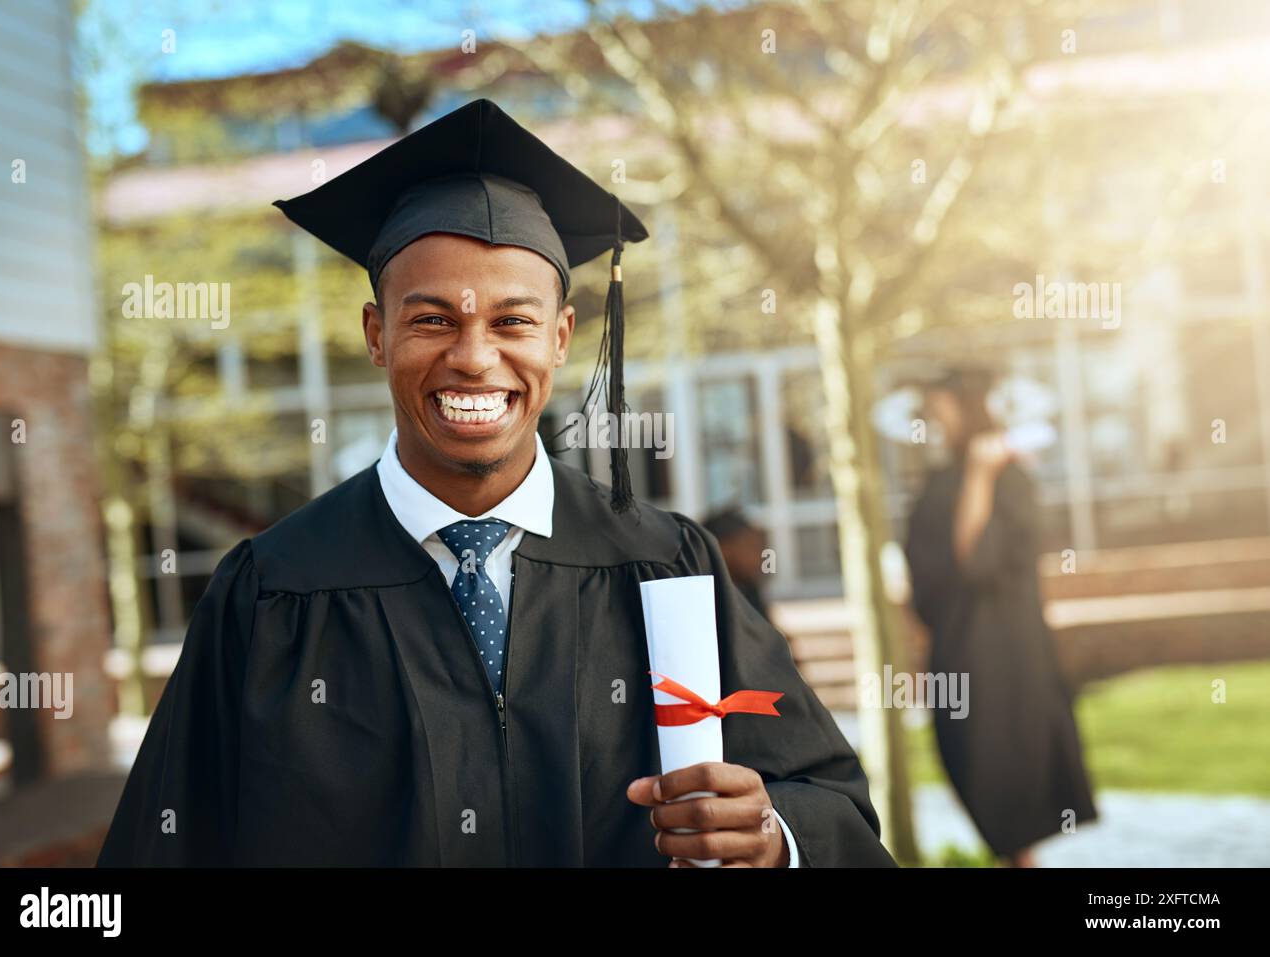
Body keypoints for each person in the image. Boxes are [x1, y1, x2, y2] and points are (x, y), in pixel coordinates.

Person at [97, 99, 893, 867]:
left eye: (512, 321)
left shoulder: (664, 565)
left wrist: (771, 838)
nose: (475, 357)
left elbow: (830, 801)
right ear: (377, 334)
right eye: (433, 318)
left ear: (560, 337)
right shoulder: (271, 593)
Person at [903, 367, 1098, 867]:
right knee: (968, 759)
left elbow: (977, 562)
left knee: (1008, 769)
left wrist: (979, 477)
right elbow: (929, 573)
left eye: (941, 406)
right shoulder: (938, 481)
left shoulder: (1007, 479)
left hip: (1006, 653)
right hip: (958, 647)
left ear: (964, 406)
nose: (934, 418)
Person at [701, 507, 770, 621]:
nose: (761, 556)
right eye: (752, 546)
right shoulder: (706, 599)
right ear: (723, 549)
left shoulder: (750, 591)